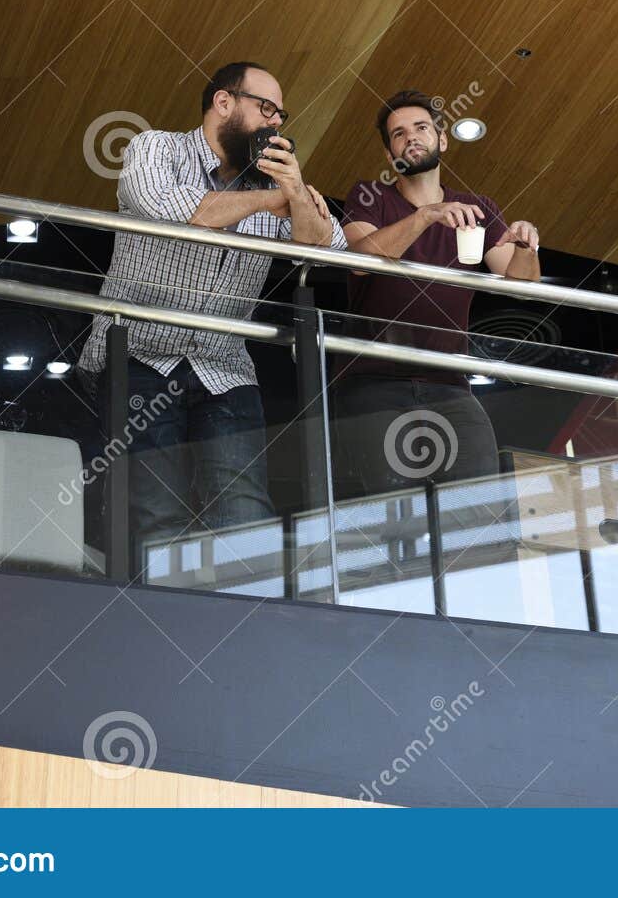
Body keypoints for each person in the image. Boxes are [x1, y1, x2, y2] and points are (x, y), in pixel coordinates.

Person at [79, 61, 347, 557]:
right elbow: (175, 209)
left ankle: (241, 607)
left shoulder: (272, 185)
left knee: (245, 516)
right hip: (139, 356)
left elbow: (324, 250)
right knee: (157, 515)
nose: (276, 123)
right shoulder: (156, 147)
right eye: (267, 108)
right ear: (224, 102)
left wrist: (294, 193)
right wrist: (269, 201)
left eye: (281, 115)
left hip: (226, 368)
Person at [335, 89, 540, 498]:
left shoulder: (477, 207)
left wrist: (525, 246)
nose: (411, 137)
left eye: (421, 128)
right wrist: (426, 216)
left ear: (442, 140)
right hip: (374, 382)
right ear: (390, 153)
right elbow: (360, 259)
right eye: (398, 134)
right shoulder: (370, 195)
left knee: (476, 504)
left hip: (450, 383)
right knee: (397, 510)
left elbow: (524, 287)